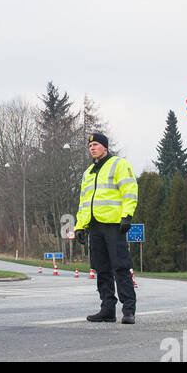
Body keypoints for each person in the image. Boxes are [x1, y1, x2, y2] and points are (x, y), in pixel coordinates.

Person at [73, 133, 139, 324]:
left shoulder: (119, 164)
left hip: (114, 225)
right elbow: (84, 202)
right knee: (101, 269)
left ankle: (128, 310)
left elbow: (129, 190)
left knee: (121, 267)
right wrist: (80, 227)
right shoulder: (88, 173)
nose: (92, 148)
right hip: (95, 226)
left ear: (105, 147)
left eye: (96, 144)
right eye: (90, 145)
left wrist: (127, 216)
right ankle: (107, 309)